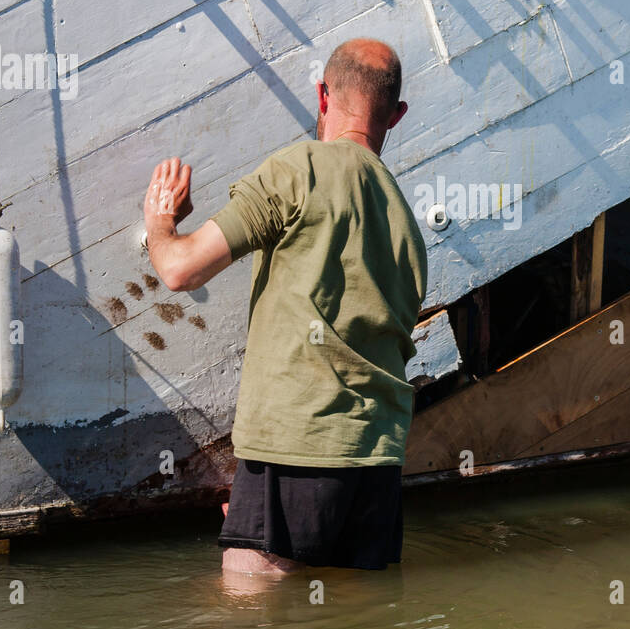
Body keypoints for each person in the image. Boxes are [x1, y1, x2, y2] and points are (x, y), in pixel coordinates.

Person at [141, 38, 428, 573]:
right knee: (353, 621)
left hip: (296, 445)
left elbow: (180, 269)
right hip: (377, 459)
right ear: (397, 116)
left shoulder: (298, 171)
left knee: (248, 611)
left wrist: (160, 221)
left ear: (323, 96)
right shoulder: (406, 222)